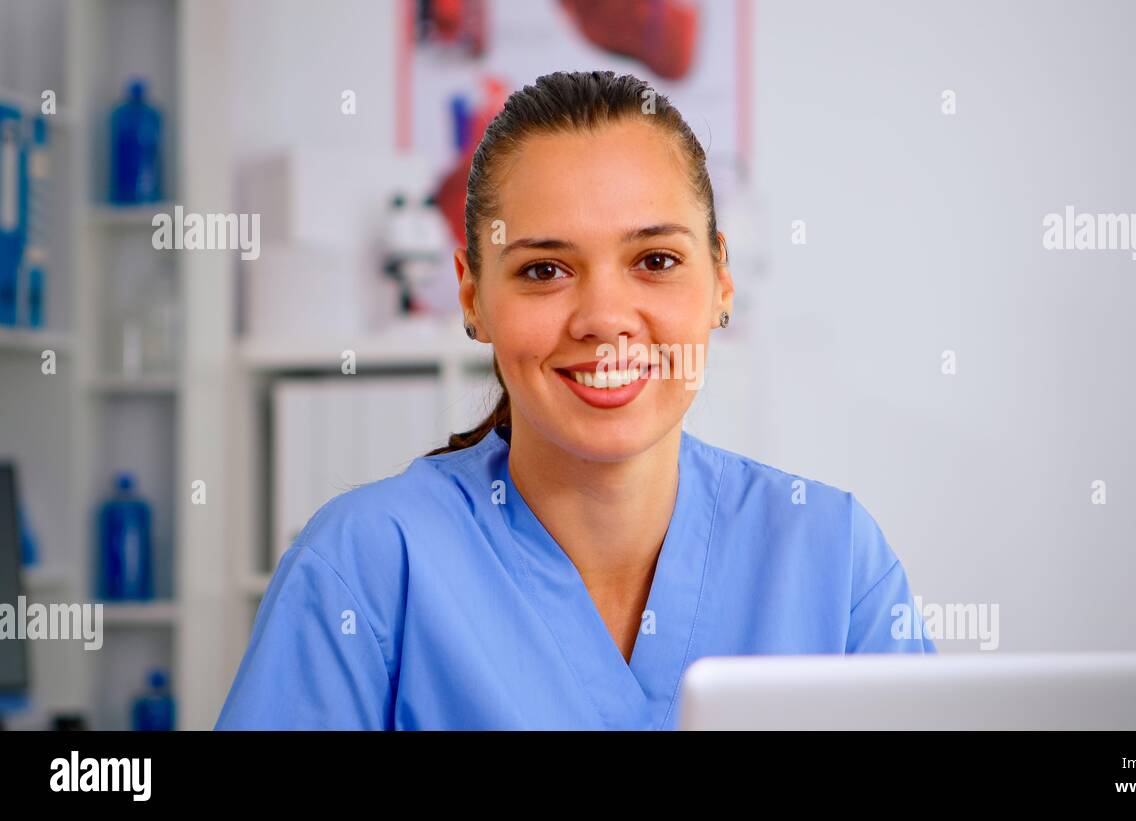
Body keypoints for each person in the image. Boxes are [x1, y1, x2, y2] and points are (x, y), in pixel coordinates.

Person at [216, 70, 935, 731]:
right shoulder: (364, 567)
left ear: (721, 280)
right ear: (473, 297)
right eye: (545, 269)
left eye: (655, 260)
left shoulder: (832, 558)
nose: (604, 316)